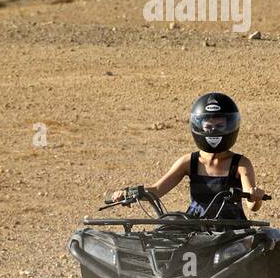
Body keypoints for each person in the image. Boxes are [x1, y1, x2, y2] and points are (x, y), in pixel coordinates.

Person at [112, 92, 266, 220]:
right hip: (194, 226)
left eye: (219, 126)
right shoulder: (188, 162)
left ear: (231, 126)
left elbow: (252, 206)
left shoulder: (241, 164)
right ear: (199, 127)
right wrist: (128, 193)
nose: (213, 131)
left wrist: (255, 197)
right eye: (208, 127)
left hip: (230, 230)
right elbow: (157, 190)